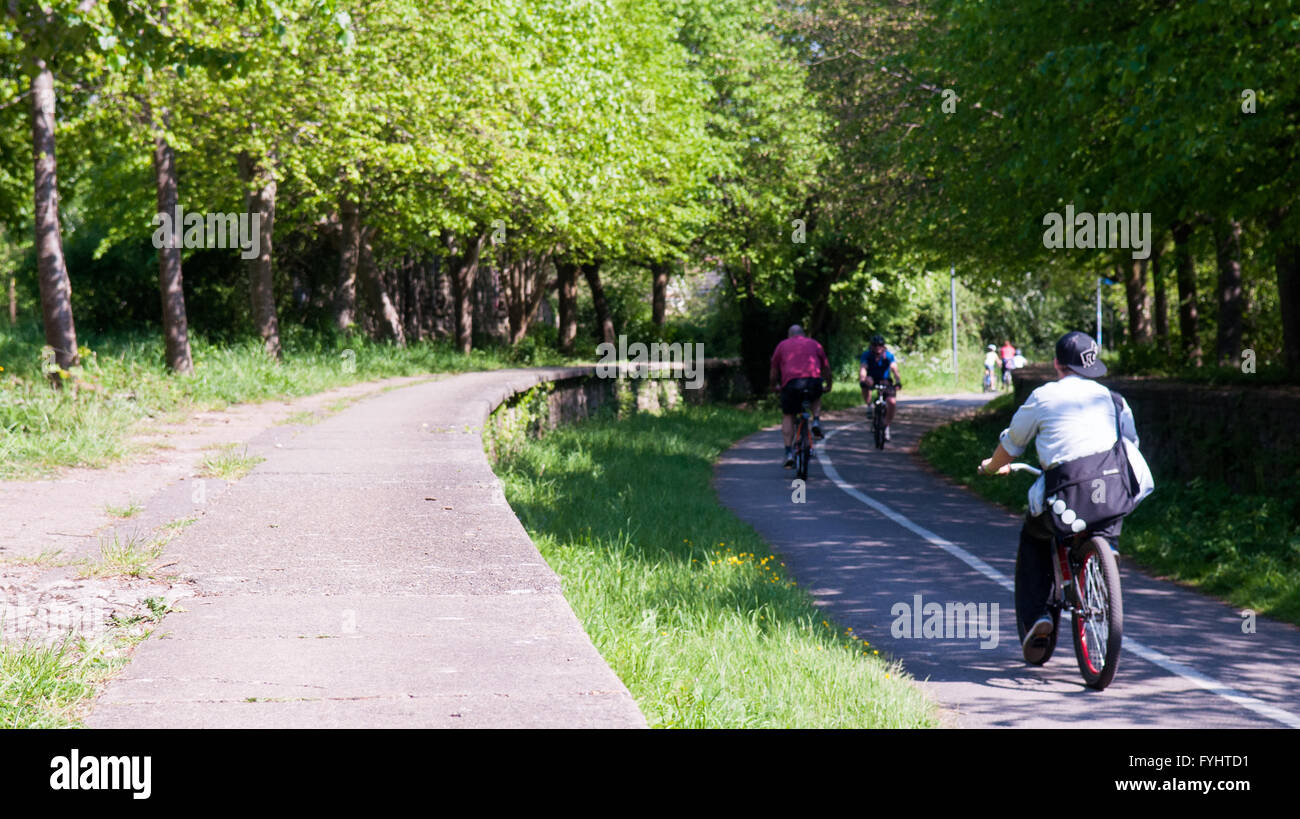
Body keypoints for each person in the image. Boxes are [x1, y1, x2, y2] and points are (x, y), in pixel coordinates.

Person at [978, 331, 1153, 664]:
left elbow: (1012, 444)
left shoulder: (1043, 397)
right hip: (1113, 491)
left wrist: (991, 468)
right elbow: (1131, 443)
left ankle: (1039, 616)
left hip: (1066, 493)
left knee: (1035, 535)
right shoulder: (1114, 400)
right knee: (1106, 516)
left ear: (1057, 363)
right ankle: (1106, 550)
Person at [770, 325, 831, 468]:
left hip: (791, 385)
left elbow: (773, 370)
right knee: (816, 395)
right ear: (803, 334)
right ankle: (815, 420)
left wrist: (773, 386)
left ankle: (788, 452)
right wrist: (828, 385)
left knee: (788, 415)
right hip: (813, 382)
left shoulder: (782, 345)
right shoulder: (815, 344)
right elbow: (826, 368)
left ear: (789, 335)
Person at [858, 334, 902, 441]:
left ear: (883, 346)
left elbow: (894, 369)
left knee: (891, 402)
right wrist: (862, 379)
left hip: (885, 380)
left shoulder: (888, 356)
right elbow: (863, 368)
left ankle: (886, 426)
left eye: (880, 345)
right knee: (866, 382)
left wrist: (898, 381)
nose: (878, 347)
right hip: (872, 378)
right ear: (871, 346)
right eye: (875, 345)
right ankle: (869, 405)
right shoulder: (867, 355)